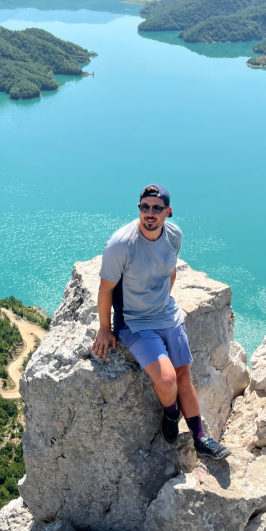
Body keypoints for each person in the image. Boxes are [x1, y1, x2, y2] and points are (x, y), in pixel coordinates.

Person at [90, 184, 230, 460]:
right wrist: (105, 328)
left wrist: (163, 300)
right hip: (135, 323)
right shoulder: (121, 244)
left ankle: (200, 437)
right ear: (139, 209)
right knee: (167, 381)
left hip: (167, 315)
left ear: (168, 212)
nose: (150, 213)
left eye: (156, 208)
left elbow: (170, 270)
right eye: (145, 207)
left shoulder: (174, 235)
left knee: (182, 376)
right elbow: (105, 289)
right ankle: (171, 412)